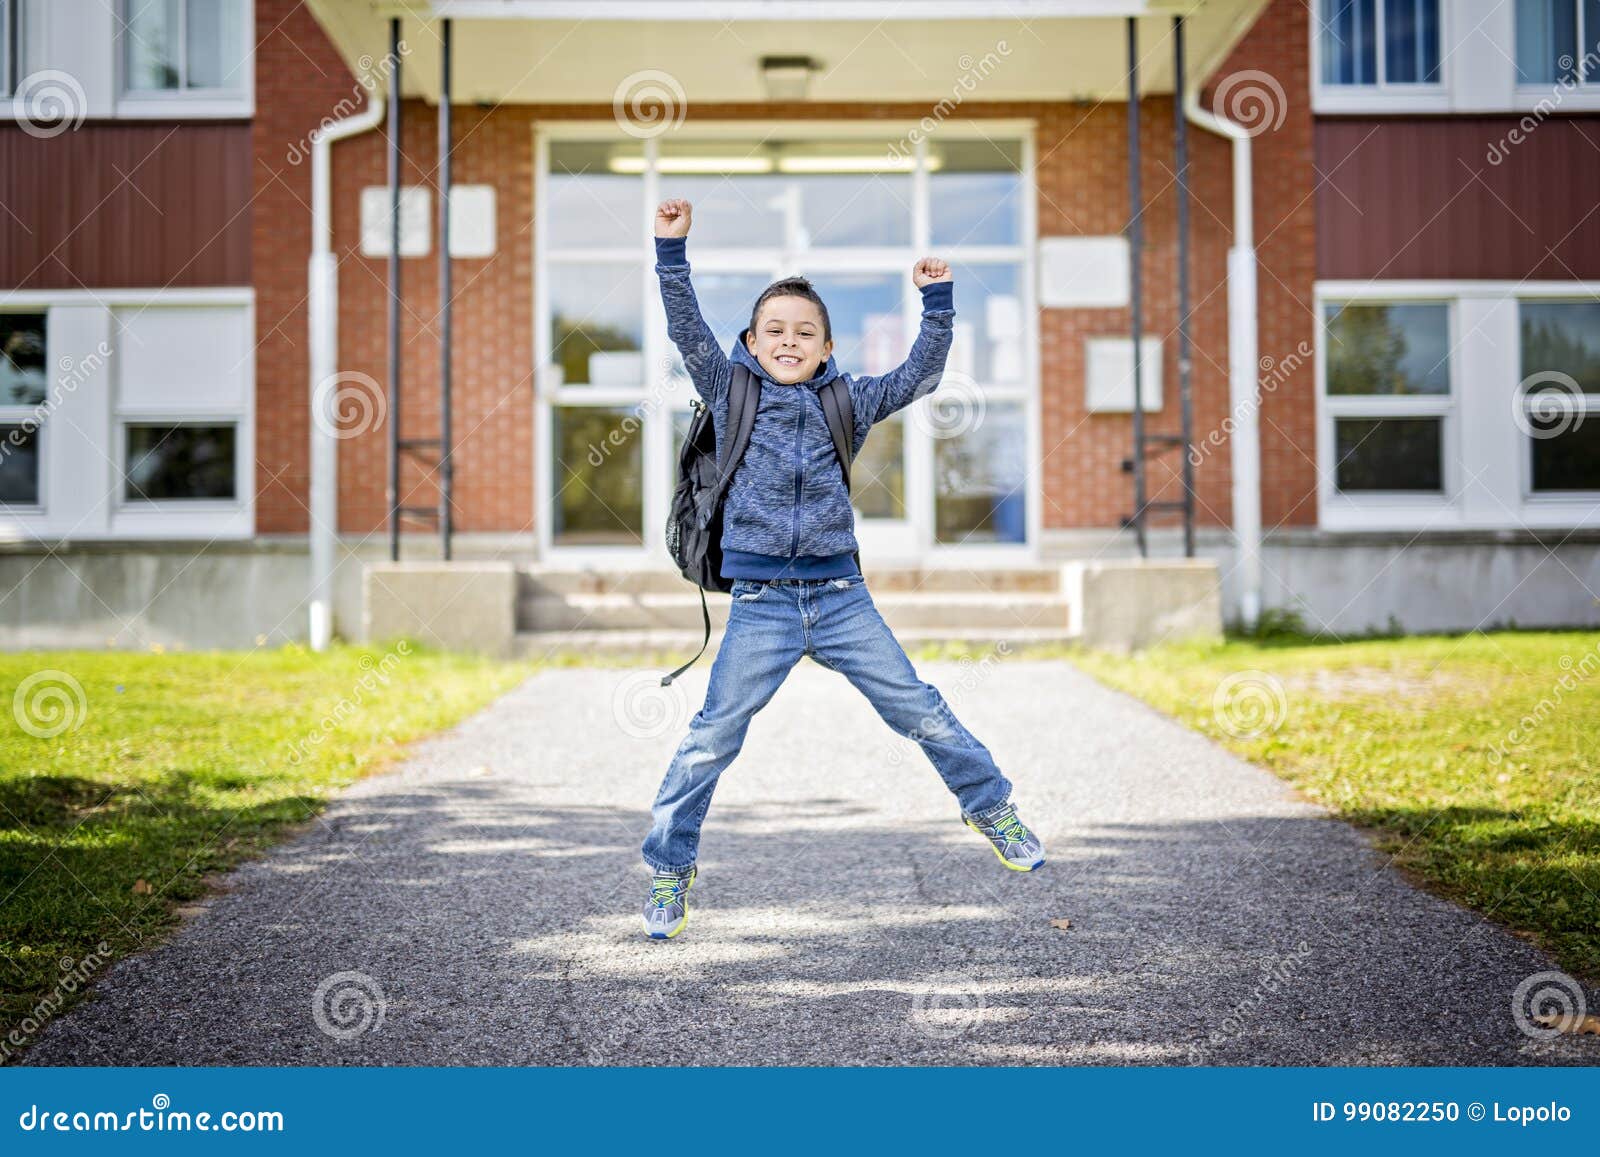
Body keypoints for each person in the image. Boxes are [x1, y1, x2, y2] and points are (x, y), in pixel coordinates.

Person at [640, 198, 1044, 940]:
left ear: (826, 348)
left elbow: (920, 375)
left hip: (839, 598)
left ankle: (992, 808)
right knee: (711, 735)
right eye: (774, 331)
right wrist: (671, 250)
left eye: (804, 333)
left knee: (918, 707)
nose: (788, 341)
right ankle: (670, 868)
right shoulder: (730, 395)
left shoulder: (846, 401)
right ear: (751, 344)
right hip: (761, 602)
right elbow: (684, 325)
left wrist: (938, 303)